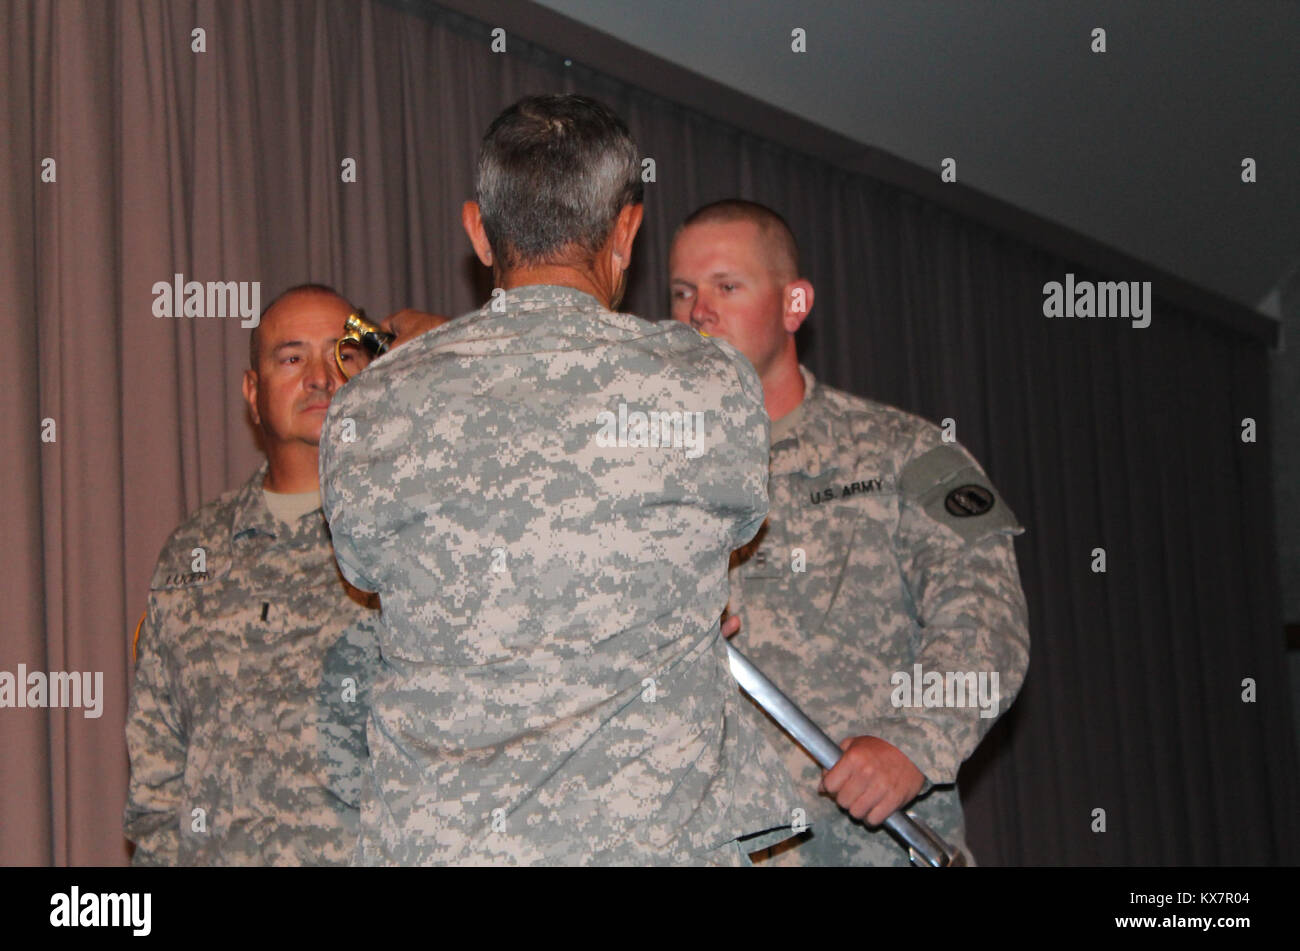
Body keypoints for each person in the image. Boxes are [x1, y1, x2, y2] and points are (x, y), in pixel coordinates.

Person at [319, 94, 796, 865]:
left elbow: (361, 566)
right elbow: (736, 523)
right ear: (628, 230)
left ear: (478, 229)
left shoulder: (371, 403)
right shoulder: (709, 385)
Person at [668, 199, 1030, 865]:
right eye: (683, 292)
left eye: (727, 286)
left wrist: (913, 742)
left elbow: (985, 620)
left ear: (794, 303)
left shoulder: (901, 454)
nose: (699, 312)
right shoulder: (653, 484)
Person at [124, 284, 381, 865]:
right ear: (253, 391)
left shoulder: (404, 543)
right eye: (292, 358)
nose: (320, 377)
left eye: (343, 354)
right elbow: (157, 781)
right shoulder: (193, 554)